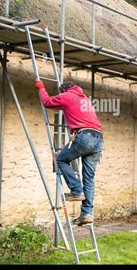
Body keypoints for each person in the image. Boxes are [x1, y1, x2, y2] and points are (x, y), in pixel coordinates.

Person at [34, 80, 103, 226]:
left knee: (60, 160)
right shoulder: (85, 99)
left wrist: (41, 88)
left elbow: (47, 102)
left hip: (85, 137)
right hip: (98, 139)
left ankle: (77, 190)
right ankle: (87, 214)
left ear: (64, 90)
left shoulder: (66, 96)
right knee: (89, 178)